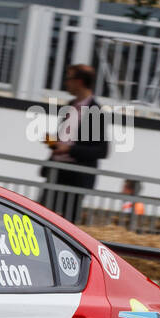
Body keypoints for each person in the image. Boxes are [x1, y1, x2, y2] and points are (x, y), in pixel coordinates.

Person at [41, 63, 109, 224]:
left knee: (66, 224)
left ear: (79, 81)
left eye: (69, 78)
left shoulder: (95, 112)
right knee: (42, 217)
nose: (66, 82)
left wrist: (69, 149)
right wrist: (54, 144)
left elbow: (101, 151)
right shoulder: (70, 106)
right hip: (57, 171)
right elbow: (67, 139)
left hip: (75, 176)